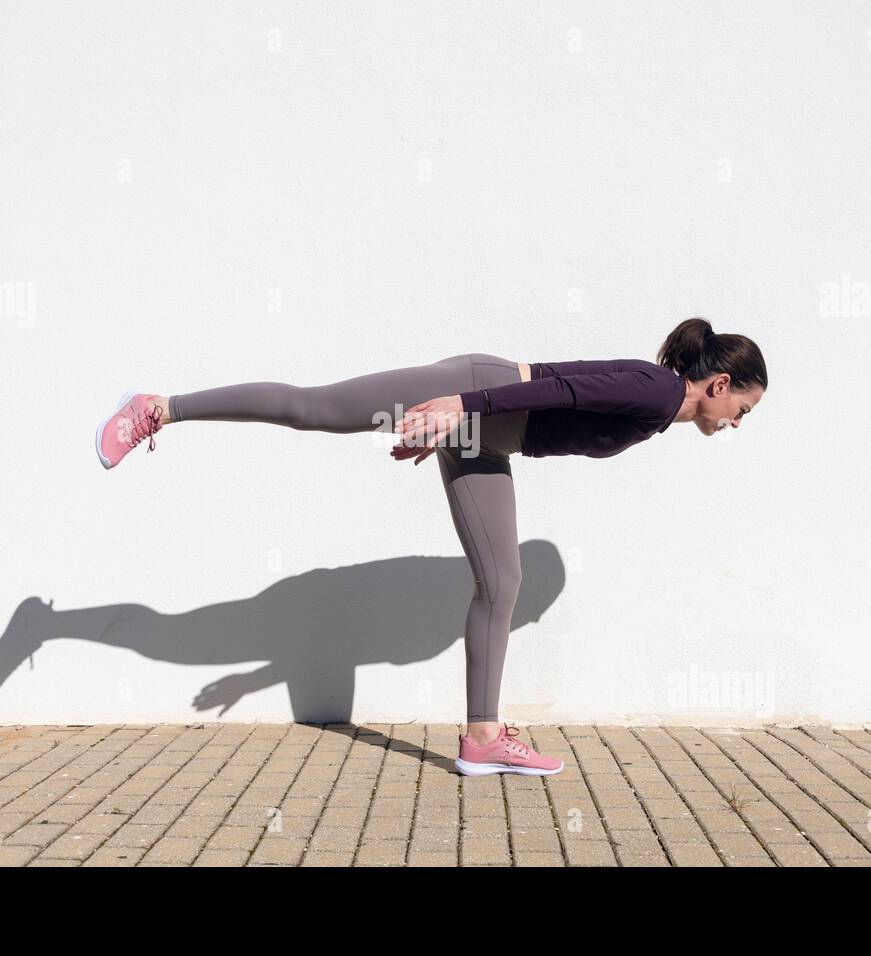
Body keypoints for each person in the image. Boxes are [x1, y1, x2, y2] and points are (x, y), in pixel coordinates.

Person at [93, 317, 767, 775]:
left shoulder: (657, 410)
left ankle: (481, 739)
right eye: (744, 407)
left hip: (486, 430)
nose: (738, 421)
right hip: (474, 396)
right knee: (314, 409)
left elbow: (551, 404)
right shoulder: (653, 392)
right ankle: (159, 406)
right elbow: (557, 386)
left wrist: (463, 426)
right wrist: (460, 405)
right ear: (718, 385)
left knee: (502, 581)